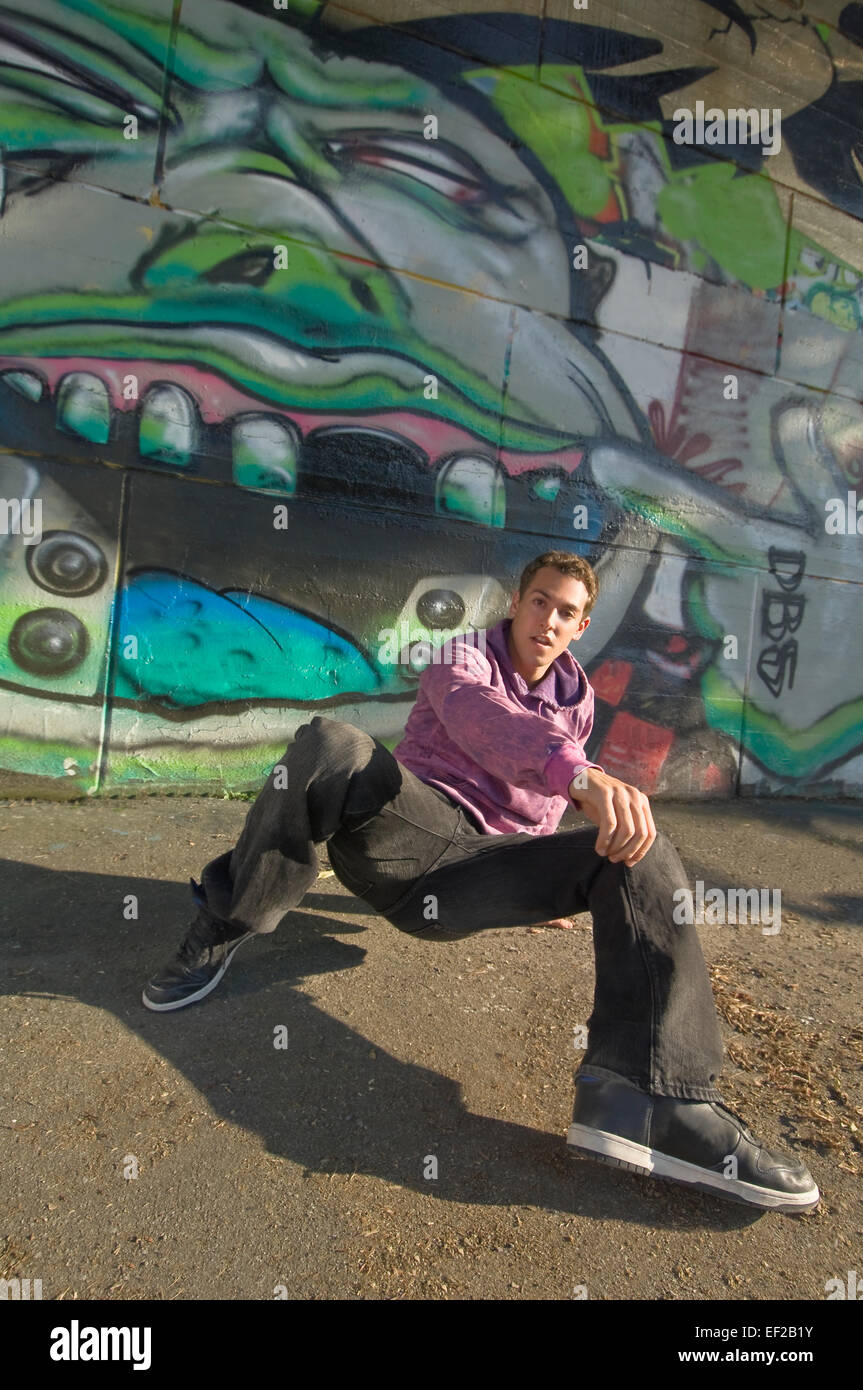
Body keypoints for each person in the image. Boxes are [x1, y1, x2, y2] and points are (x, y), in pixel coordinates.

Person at [142, 550, 819, 1214]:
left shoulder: (576, 704)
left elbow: (545, 807)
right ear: (517, 605)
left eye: (567, 613)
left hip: (475, 874)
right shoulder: (461, 659)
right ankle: (227, 922)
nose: (549, 620)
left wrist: (551, 881)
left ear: (582, 627)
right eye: (539, 602)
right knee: (331, 745)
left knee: (638, 849)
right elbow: (483, 721)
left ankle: (647, 1097)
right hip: (400, 836)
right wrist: (576, 774)